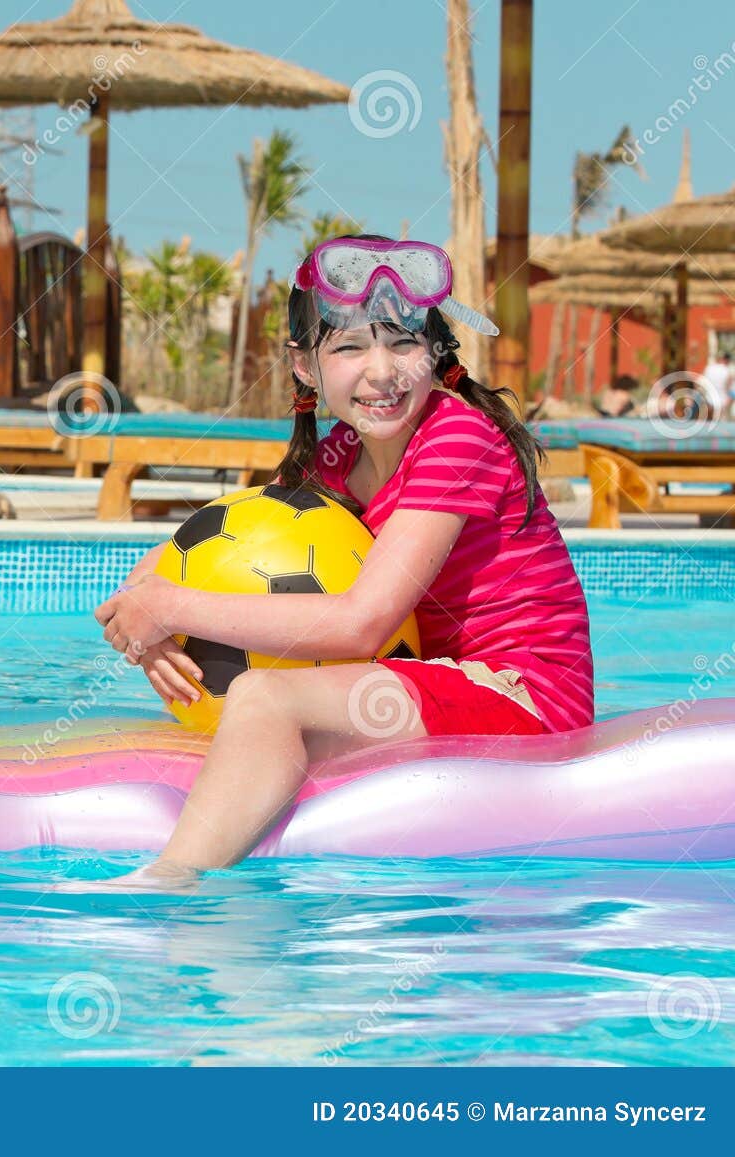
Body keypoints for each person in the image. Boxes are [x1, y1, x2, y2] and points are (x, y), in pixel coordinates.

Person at [95, 236, 593, 884]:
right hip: (434, 675)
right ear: (305, 365)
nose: (382, 371)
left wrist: (169, 607)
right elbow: (204, 546)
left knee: (265, 696)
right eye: (351, 346)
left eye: (404, 343)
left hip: (522, 693)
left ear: (436, 353)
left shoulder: (457, 436)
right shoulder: (334, 459)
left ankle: (168, 882)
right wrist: (144, 615)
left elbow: (363, 622)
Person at [702, 349, 732, 421]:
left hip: (708, 399)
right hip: (722, 401)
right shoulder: (727, 371)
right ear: (727, 360)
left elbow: (702, 383)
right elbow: (728, 388)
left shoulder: (709, 368)